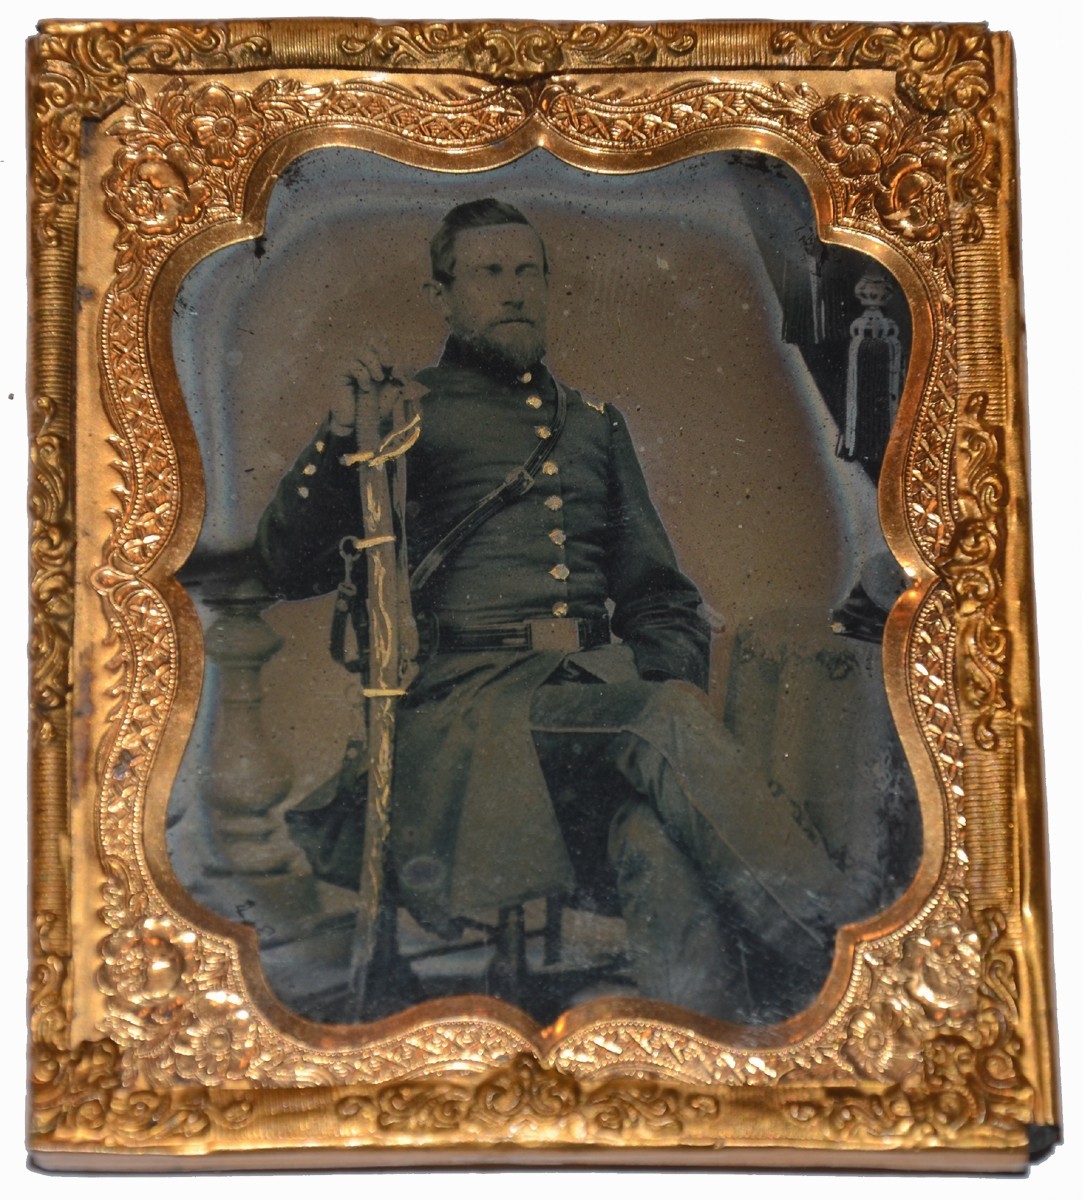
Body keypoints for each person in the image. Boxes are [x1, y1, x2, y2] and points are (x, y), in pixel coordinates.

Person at [257, 198, 868, 1023]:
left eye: (527, 273)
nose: (512, 291)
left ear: (547, 287)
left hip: (589, 718)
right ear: (442, 296)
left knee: (653, 839)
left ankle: (707, 1051)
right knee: (660, 723)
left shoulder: (592, 426)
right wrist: (336, 439)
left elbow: (661, 598)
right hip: (469, 719)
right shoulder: (404, 413)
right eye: (487, 274)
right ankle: (837, 955)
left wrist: (654, 683)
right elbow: (284, 563)